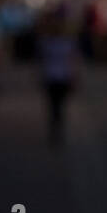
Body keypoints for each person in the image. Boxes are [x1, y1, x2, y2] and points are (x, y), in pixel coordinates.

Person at [37, 8, 78, 146]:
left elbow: (42, 62)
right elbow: (71, 63)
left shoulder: (46, 42)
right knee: (59, 106)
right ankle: (58, 130)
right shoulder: (66, 43)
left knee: (53, 106)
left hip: (51, 77)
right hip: (62, 77)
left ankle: (55, 130)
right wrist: (73, 78)